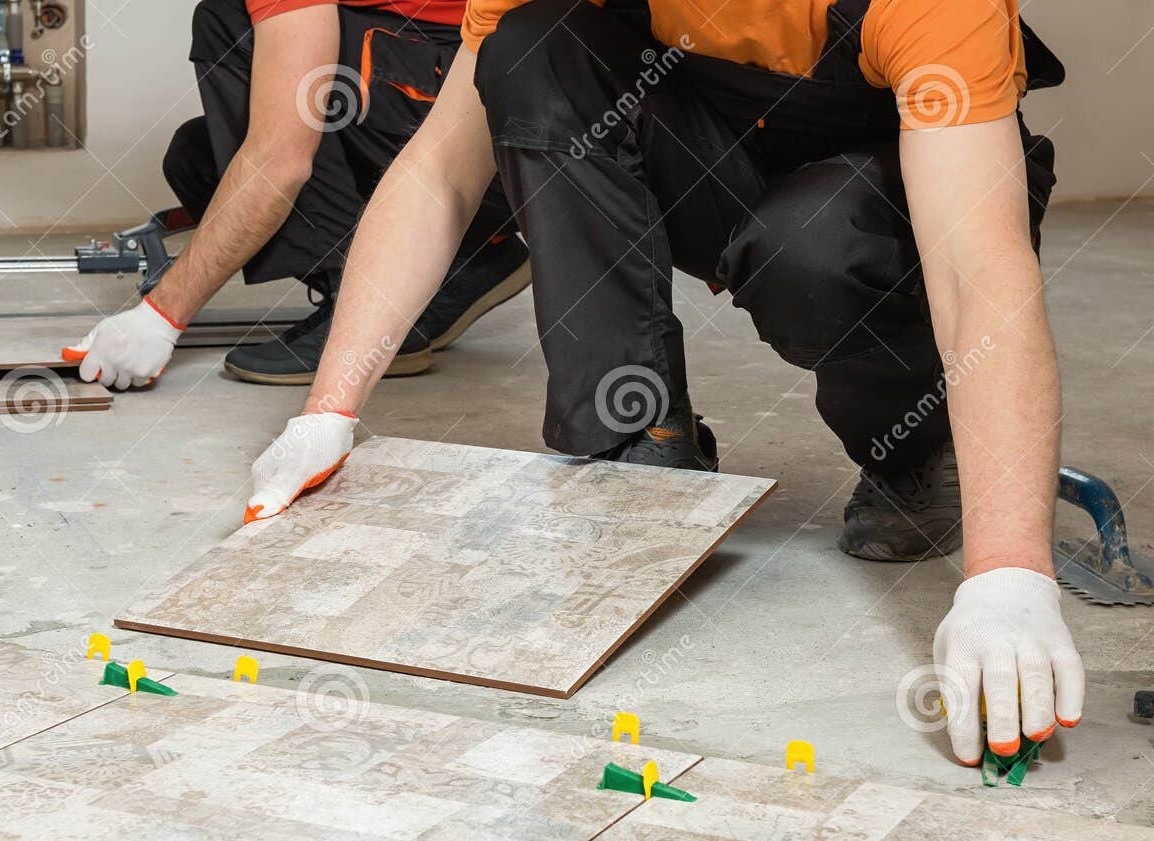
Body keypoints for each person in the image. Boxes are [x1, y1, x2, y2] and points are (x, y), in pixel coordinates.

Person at [244, 0, 1087, 766]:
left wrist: (1009, 571)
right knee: (533, 49)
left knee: (814, 252)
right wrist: (329, 408)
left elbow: (978, 273)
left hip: (877, 199)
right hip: (721, 154)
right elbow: (440, 173)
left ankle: (909, 450)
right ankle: (637, 448)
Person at [64, 0, 530, 389]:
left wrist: (161, 315)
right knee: (198, 156)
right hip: (505, 115)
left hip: (486, 133)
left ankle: (356, 319)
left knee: (228, 20)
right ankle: (476, 256)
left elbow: (281, 160)